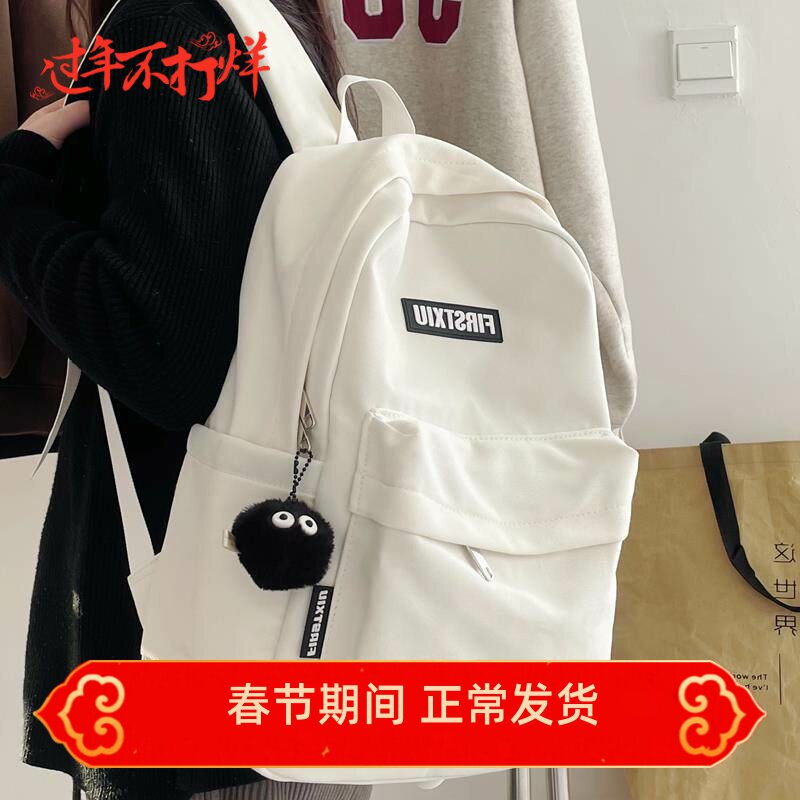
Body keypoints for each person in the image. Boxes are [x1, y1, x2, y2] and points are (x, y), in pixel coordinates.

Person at [0, 1, 369, 798]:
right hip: (283, 628)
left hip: (197, 651)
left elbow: (161, 352)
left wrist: (16, 189)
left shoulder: (164, 27)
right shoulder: (261, 25)